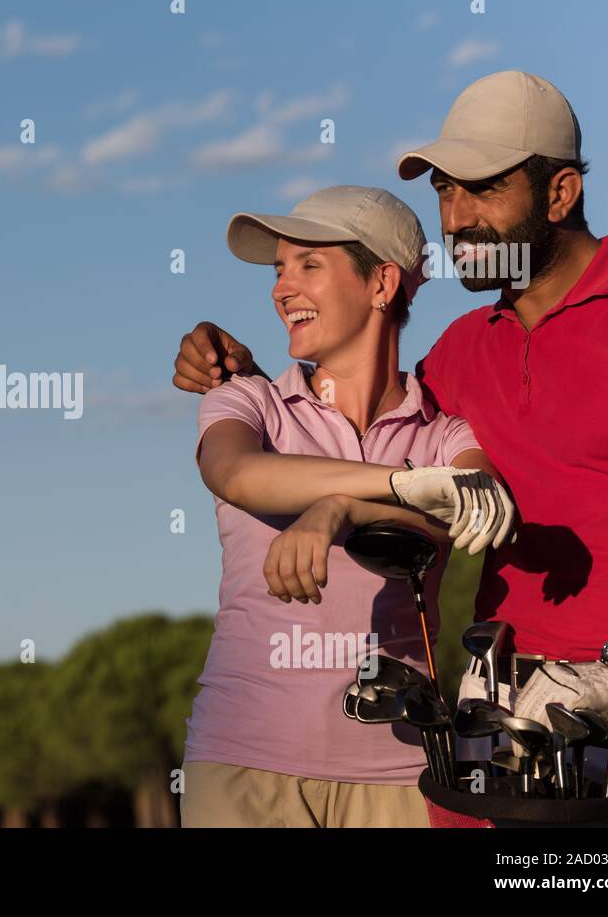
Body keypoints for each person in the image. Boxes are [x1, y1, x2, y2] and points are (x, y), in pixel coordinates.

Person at [174, 71, 608, 826]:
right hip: (498, 720)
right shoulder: (457, 356)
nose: (457, 218)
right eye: (446, 191)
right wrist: (241, 372)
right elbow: (386, 446)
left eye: (483, 190)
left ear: (561, 192)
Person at [180, 184, 515, 827]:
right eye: (279, 269)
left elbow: (470, 507)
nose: (281, 288)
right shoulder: (248, 402)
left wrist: (341, 510)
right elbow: (239, 474)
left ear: (382, 283)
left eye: (309, 264)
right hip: (243, 768)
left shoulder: (444, 432)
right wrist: (394, 484)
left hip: (401, 776)